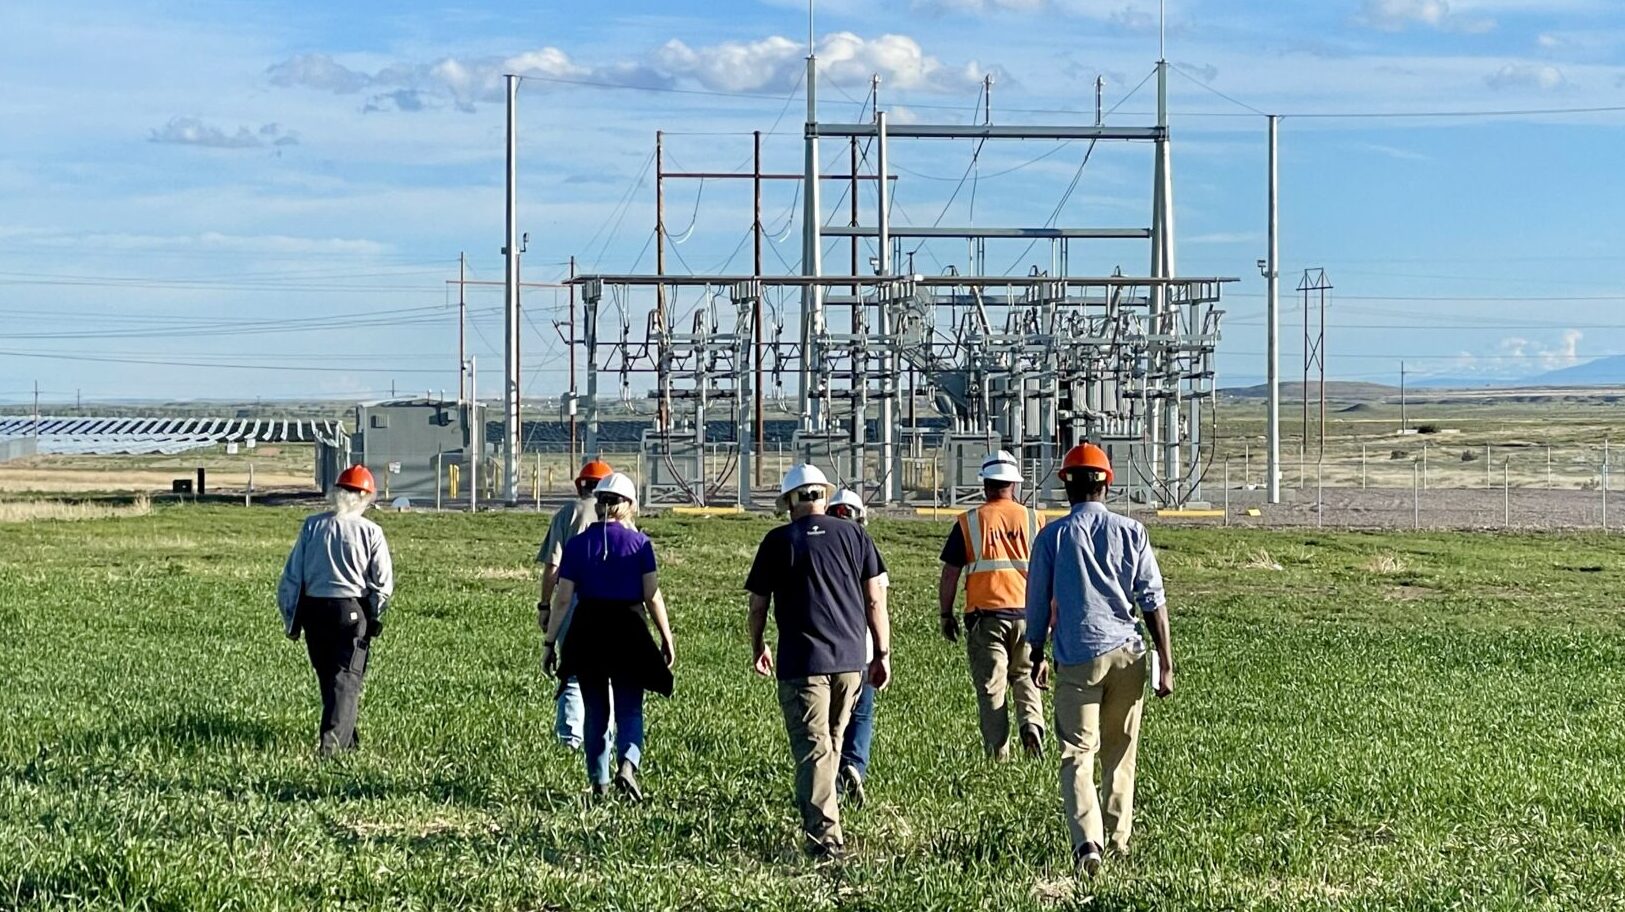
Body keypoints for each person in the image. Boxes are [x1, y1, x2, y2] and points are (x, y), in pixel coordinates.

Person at [1024, 443, 1175, 878]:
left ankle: (1086, 844)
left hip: (1077, 658)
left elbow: (1037, 603)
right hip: (1129, 655)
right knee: (1120, 752)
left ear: (1065, 486)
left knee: (1076, 753)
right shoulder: (1133, 532)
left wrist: (1036, 651)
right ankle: (1117, 840)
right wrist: (1165, 663)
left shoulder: (1052, 536)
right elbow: (1153, 602)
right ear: (1108, 484)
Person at [747, 465, 891, 860]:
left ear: (791, 501)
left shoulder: (778, 541)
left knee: (814, 749)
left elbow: (758, 605)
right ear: (823, 497)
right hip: (850, 662)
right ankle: (831, 817)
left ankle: (824, 838)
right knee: (834, 741)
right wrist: (881, 653)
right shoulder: (856, 535)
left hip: (802, 662)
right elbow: (875, 599)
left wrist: (758, 644)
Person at [544, 472, 675, 800]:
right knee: (630, 707)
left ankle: (599, 784)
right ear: (628, 505)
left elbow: (562, 598)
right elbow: (652, 595)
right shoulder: (640, 545)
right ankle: (628, 764)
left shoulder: (577, 546)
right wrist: (666, 636)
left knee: (597, 711)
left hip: (587, 630)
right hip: (628, 629)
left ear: (600, 504)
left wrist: (549, 641)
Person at [276, 464, 394, 757]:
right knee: (347, 678)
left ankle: (349, 742)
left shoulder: (312, 526)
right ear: (366, 497)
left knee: (330, 679)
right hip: (351, 611)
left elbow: (291, 578)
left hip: (314, 611)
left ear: (337, 493)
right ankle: (331, 748)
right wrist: (374, 614)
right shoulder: (371, 531)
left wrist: (291, 619)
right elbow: (382, 583)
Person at [938, 449, 1047, 761]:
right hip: (1029, 614)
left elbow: (950, 575)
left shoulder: (970, 522)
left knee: (992, 688)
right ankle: (1032, 726)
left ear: (985, 483)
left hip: (986, 617)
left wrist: (946, 614)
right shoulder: (1035, 519)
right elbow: (1048, 571)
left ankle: (999, 754)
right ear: (1014, 484)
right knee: (1026, 676)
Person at [536, 458, 614, 749]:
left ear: (581, 484)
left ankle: (570, 739)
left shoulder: (569, 513)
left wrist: (545, 604)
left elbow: (552, 566)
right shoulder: (618, 514)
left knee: (572, 673)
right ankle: (606, 735)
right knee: (606, 674)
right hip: (612, 600)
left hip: (573, 599)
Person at [827, 488, 885, 809]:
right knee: (861, 715)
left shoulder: (818, 546)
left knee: (829, 720)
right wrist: (882, 651)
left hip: (821, 653)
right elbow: (877, 601)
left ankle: (830, 778)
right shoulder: (868, 549)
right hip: (860, 652)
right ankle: (854, 764)